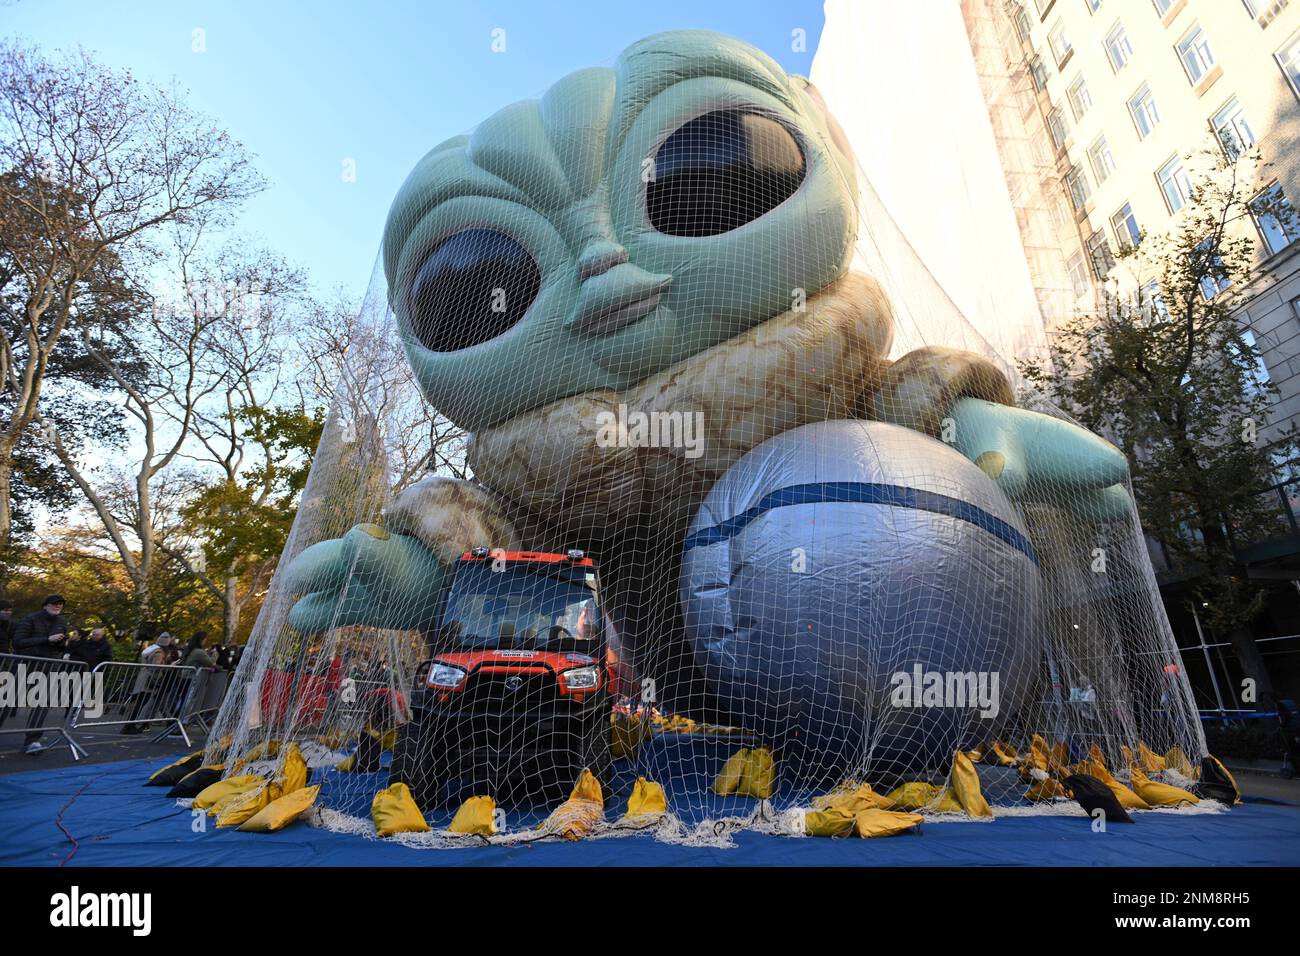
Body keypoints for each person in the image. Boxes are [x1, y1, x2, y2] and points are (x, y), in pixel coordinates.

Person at [11, 595, 68, 754]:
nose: (58, 606)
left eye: (61, 604)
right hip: (26, 665)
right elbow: (18, 642)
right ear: (45, 605)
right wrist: (47, 639)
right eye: (54, 604)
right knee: (7, 700)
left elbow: (59, 647)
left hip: (48, 666)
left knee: (42, 704)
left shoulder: (62, 622)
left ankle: (32, 741)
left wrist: (63, 643)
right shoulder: (30, 619)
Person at [121, 632, 173, 734]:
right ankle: (129, 726)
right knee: (140, 703)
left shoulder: (151, 649)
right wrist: (170, 666)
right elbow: (156, 667)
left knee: (138, 702)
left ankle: (129, 725)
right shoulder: (159, 652)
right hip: (149, 680)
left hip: (143, 677)